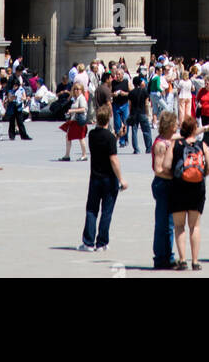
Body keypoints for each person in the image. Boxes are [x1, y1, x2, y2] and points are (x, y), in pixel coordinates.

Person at [78, 105, 127, 252]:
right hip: (109, 179)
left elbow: (106, 141)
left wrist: (117, 135)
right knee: (107, 211)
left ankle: (88, 242)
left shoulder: (92, 135)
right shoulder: (109, 138)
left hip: (95, 177)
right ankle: (102, 242)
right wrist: (121, 179)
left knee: (92, 209)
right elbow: (113, 159)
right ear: (109, 119)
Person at [170, 116, 209, 271]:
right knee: (194, 226)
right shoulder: (203, 145)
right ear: (195, 129)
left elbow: (167, 165)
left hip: (179, 187)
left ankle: (182, 260)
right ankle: (195, 260)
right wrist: (201, 176)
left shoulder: (176, 145)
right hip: (197, 188)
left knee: (179, 226)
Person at [151, 111, 177, 270]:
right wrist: (176, 176)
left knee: (170, 223)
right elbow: (158, 169)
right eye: (175, 124)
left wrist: (206, 128)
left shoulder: (170, 139)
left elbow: (187, 134)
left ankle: (168, 255)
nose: (177, 126)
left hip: (169, 185)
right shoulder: (161, 145)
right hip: (163, 184)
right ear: (169, 126)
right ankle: (161, 257)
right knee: (164, 223)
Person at [59, 83, 89, 161]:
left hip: (78, 121)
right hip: (74, 120)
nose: (76, 91)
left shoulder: (81, 98)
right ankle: (67, 155)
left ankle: (84, 155)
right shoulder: (76, 98)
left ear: (81, 90)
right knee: (69, 137)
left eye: (78, 89)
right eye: (75, 89)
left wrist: (72, 110)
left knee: (80, 138)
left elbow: (83, 109)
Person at [128, 75, 153, 154]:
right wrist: (147, 113)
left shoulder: (131, 93)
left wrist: (130, 113)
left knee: (134, 131)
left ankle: (136, 149)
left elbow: (130, 104)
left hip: (134, 113)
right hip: (142, 112)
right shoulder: (144, 91)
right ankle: (148, 148)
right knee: (146, 131)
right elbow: (146, 103)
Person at [7, 76, 32, 142]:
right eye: (14, 85)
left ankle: (24, 135)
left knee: (20, 122)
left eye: (16, 85)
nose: (14, 87)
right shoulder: (10, 90)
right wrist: (12, 98)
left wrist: (22, 98)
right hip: (12, 106)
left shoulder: (21, 89)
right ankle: (12, 135)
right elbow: (9, 99)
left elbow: (24, 97)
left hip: (18, 106)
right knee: (12, 122)